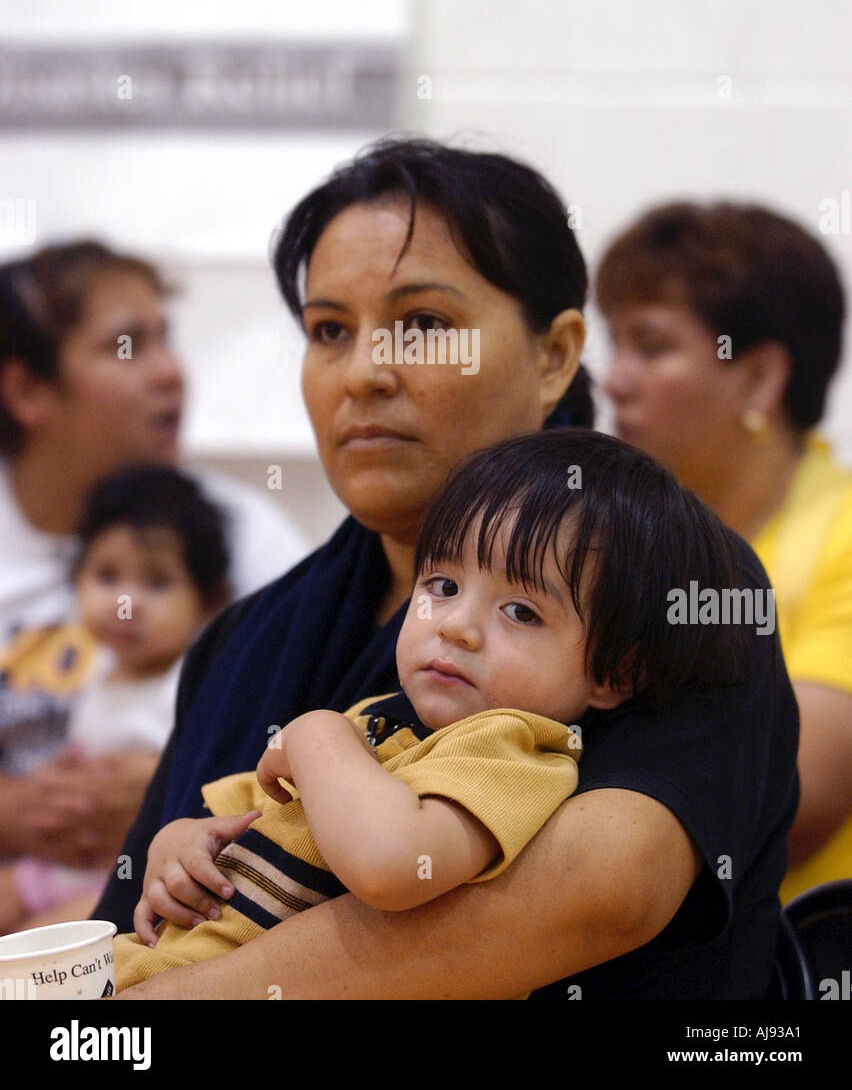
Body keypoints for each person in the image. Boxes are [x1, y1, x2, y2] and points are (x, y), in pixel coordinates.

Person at [101, 138, 794, 1000]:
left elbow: (605, 892)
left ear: (554, 354)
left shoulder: (679, 582)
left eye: (424, 325)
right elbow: (136, 906)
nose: (364, 373)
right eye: (328, 331)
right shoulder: (250, 636)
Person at [111, 429, 774, 995]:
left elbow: (392, 864)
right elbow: (239, 815)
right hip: (154, 961)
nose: (456, 626)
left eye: (521, 612)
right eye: (443, 586)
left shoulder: (514, 751)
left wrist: (316, 736)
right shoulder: (380, 718)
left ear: (613, 675)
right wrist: (181, 852)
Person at [0, 241, 308, 878]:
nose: (172, 372)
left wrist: (177, 792)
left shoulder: (239, 536)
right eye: (128, 346)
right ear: (27, 390)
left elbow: (323, 733)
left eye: (166, 339)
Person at [596, 200, 852, 901]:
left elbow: (799, 795)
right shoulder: (614, 539)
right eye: (613, 344)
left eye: (650, 347)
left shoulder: (844, 535)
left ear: (762, 377)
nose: (613, 380)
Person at [3, 464, 230, 934]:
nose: (127, 603)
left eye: (157, 582)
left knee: (38, 947)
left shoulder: (194, 681)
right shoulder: (100, 671)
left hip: (122, 881)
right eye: (106, 576)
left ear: (210, 600)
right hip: (55, 865)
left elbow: (212, 777)